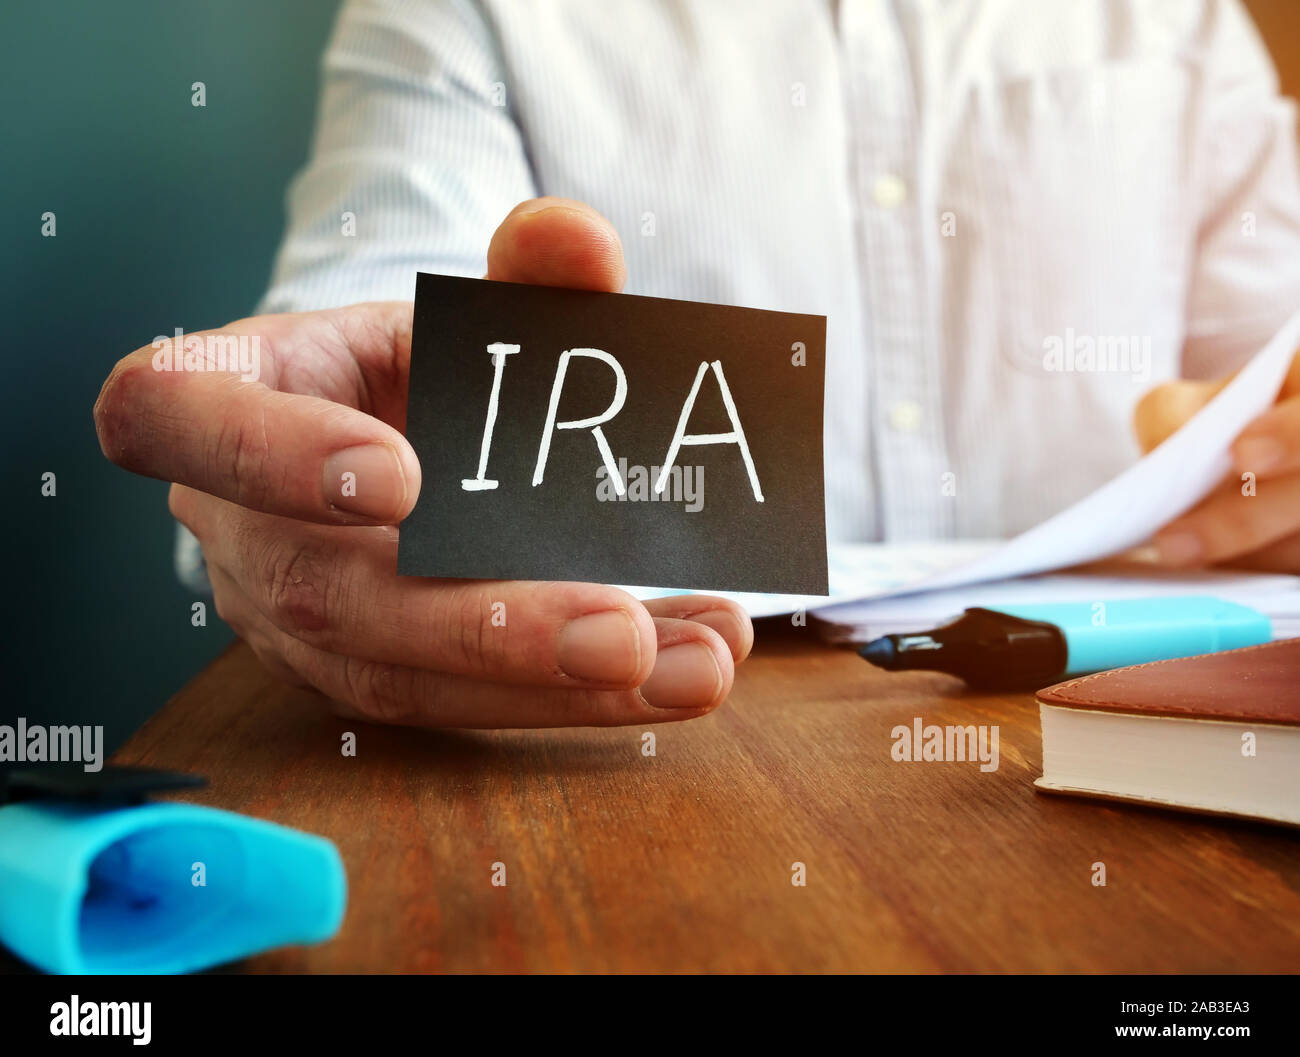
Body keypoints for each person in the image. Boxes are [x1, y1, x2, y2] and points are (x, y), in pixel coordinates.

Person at [93, 0, 1300, 727]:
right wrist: (306, 484)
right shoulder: (471, 13)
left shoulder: (1184, 22)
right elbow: (358, 358)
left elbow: (1265, 381)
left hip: (1122, 710)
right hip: (651, 731)